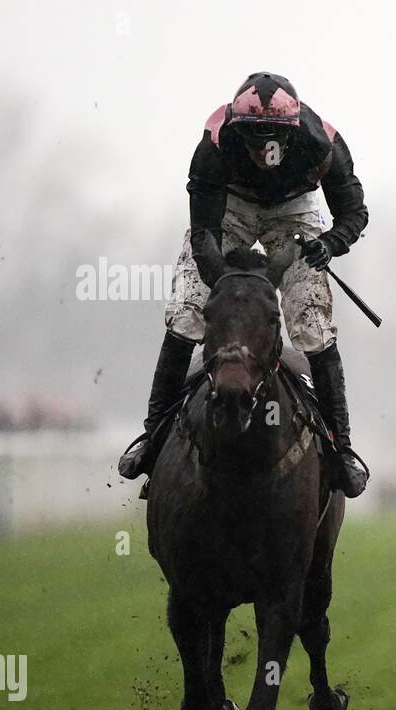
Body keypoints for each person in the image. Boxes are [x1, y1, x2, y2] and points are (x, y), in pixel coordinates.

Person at [118, 72, 370, 497]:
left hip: (292, 212)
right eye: (253, 136)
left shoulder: (324, 143)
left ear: (293, 133)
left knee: (311, 327)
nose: (262, 147)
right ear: (237, 128)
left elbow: (355, 213)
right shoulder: (214, 143)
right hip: (229, 208)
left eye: (273, 136)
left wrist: (329, 244)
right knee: (186, 316)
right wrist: (227, 286)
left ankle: (342, 449)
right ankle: (154, 437)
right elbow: (204, 235)